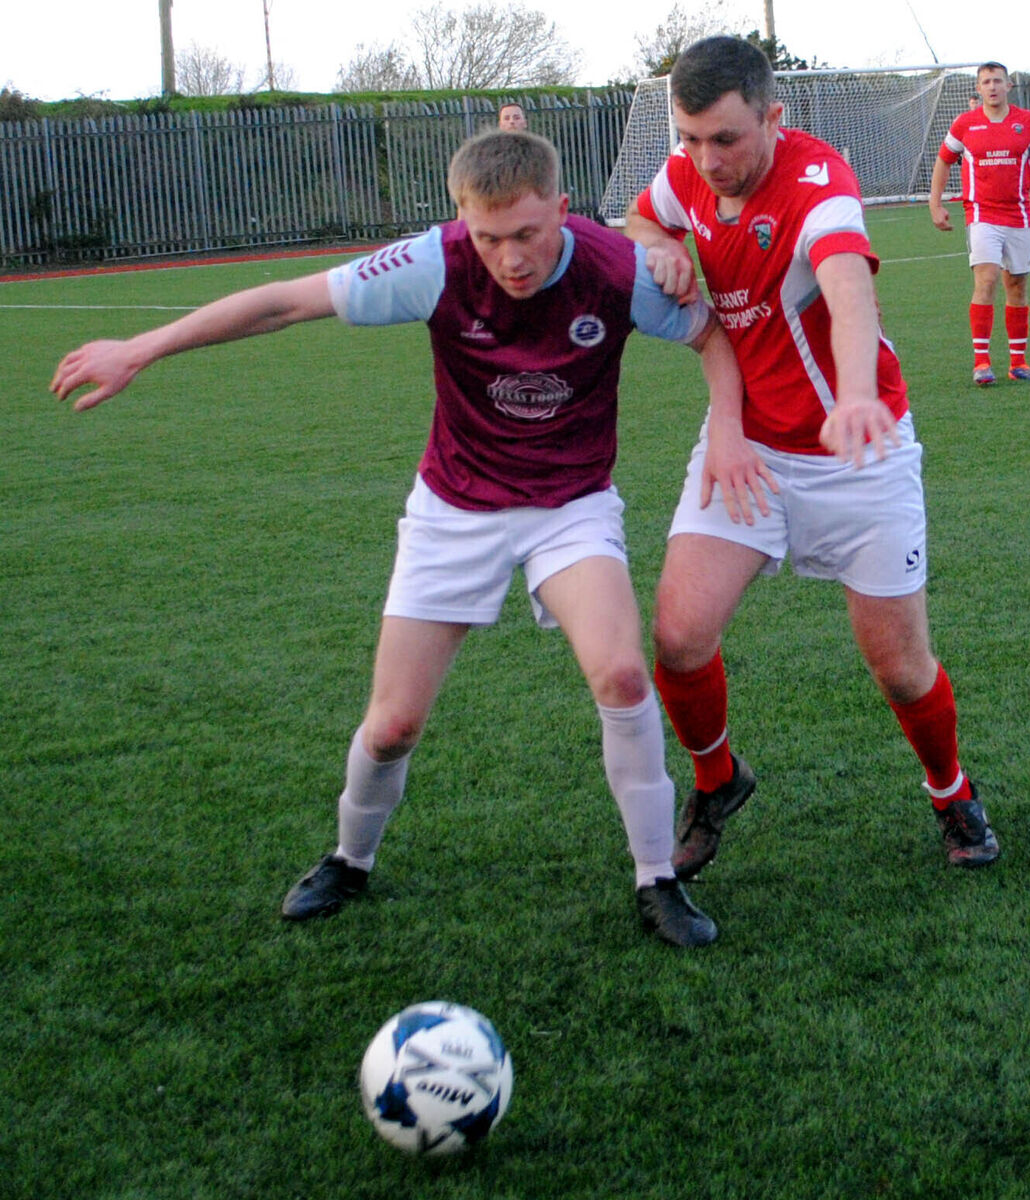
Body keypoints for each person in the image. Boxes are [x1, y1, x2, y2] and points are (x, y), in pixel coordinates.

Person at [50, 130, 760, 947]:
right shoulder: (434, 262)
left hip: (570, 506)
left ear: (561, 211)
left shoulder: (614, 268)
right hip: (452, 508)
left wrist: (729, 430)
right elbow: (285, 302)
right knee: (392, 726)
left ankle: (655, 879)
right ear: (460, 221)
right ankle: (350, 859)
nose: (510, 259)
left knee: (625, 677)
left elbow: (712, 336)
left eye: (527, 234)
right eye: (488, 237)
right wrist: (140, 349)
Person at [625, 36, 999, 877]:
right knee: (678, 637)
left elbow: (846, 283)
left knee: (900, 671)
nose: (705, 160)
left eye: (726, 139)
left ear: (772, 117)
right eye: (689, 139)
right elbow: (645, 213)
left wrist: (858, 388)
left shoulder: (816, 179)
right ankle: (717, 781)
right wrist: (659, 242)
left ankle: (950, 789)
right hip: (748, 448)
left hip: (857, 449)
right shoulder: (686, 174)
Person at [930, 61, 1030, 386]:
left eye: (998, 80)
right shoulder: (965, 124)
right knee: (986, 280)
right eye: (986, 81)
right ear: (979, 88)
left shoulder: (1026, 122)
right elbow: (943, 161)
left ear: (1008, 86)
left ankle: (1018, 363)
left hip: (1020, 216)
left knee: (1017, 285)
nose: (992, 86)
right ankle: (981, 363)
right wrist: (935, 203)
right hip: (981, 215)